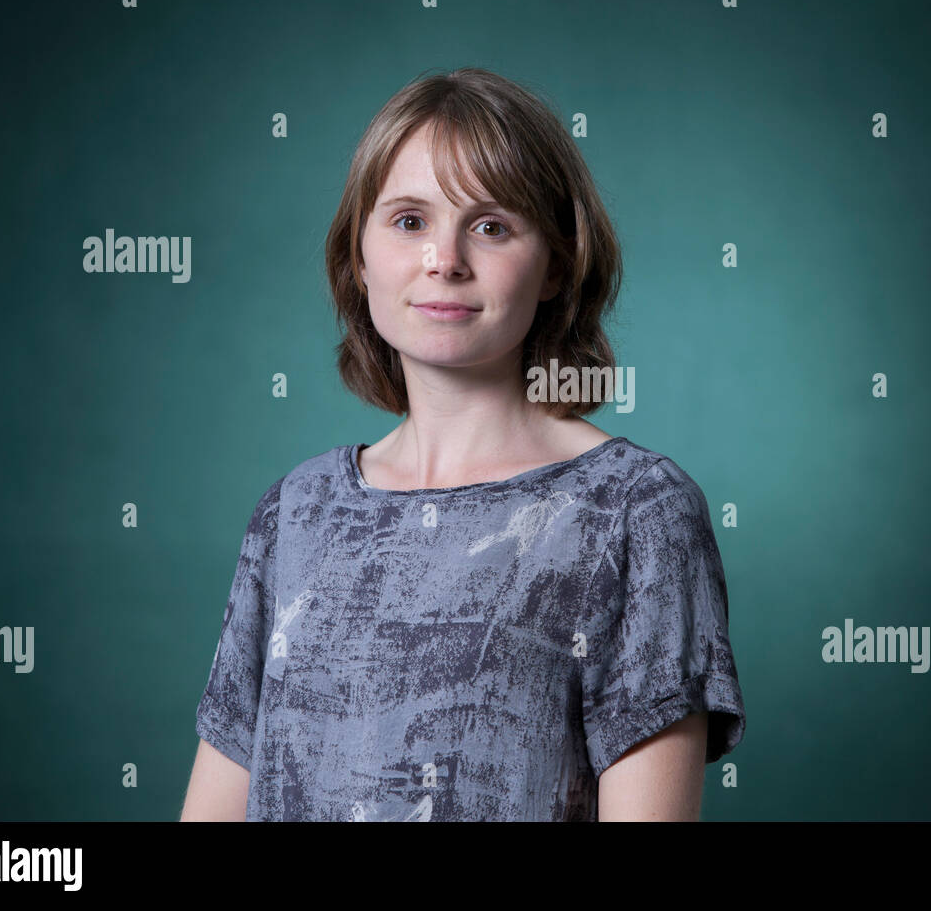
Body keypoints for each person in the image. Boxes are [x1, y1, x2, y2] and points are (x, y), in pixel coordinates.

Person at [179, 67, 744, 821]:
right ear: (359, 255)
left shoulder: (635, 512)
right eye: (409, 221)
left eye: (490, 225)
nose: (444, 259)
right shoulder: (295, 514)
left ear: (556, 266)